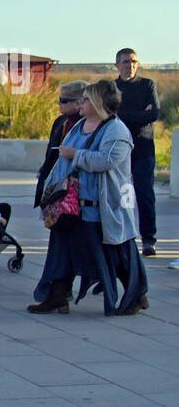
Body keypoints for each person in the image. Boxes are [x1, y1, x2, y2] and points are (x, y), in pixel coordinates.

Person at [29, 79, 148, 315]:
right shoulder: (79, 125)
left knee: (117, 253)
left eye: (86, 99)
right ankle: (57, 294)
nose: (80, 102)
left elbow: (106, 161)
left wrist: (77, 155)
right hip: (72, 206)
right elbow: (62, 159)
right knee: (61, 248)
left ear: (98, 102)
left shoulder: (117, 130)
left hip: (104, 207)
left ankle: (137, 294)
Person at [113, 48, 159, 256]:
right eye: (125, 62)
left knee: (144, 194)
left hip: (143, 147)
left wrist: (123, 115)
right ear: (117, 65)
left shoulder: (147, 85)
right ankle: (122, 237)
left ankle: (148, 239)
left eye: (133, 61)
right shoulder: (112, 88)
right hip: (119, 150)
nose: (129, 65)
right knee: (119, 196)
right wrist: (140, 114)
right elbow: (109, 115)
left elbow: (154, 114)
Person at [35, 81, 87, 207]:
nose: (59, 103)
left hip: (74, 187)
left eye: (64, 100)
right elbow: (50, 151)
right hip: (54, 184)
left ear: (78, 102)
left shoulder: (87, 124)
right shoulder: (60, 121)